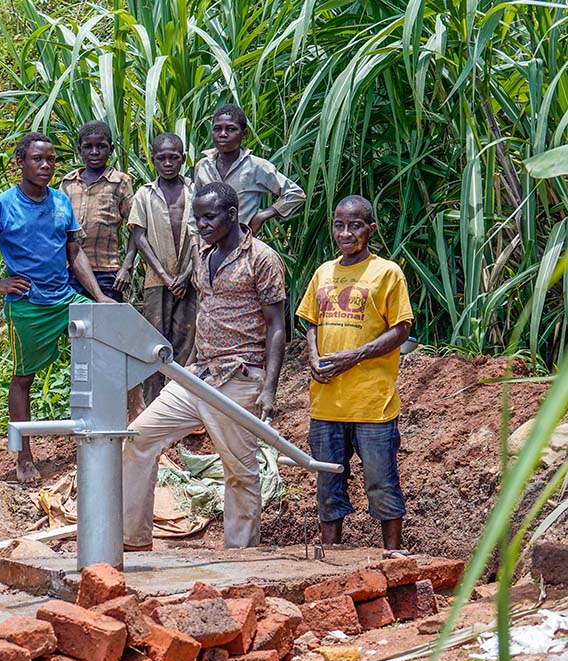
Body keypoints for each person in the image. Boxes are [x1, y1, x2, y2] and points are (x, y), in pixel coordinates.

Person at [122, 182, 286, 550]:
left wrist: (270, 388)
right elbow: (204, 313)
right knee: (138, 438)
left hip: (239, 377)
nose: (201, 224)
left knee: (239, 471)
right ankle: (133, 539)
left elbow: (277, 326)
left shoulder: (261, 258)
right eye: (197, 218)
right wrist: (191, 362)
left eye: (209, 217)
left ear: (232, 214)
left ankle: (240, 556)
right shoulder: (202, 254)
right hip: (198, 375)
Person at [0, 132, 114, 483]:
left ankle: (105, 434)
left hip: (65, 298)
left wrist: (98, 297)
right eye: (37, 159)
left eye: (51, 160)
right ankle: (23, 456)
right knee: (23, 378)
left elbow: (74, 252)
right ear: (20, 163)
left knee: (109, 344)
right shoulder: (3, 204)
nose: (45, 166)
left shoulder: (59, 202)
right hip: (28, 304)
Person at [296, 195, 412, 554]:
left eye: (355, 225)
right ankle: (330, 555)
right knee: (328, 482)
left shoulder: (386, 272)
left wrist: (356, 356)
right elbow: (310, 324)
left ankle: (392, 553)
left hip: (371, 402)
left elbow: (402, 329)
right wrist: (314, 356)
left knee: (381, 481)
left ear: (370, 229)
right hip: (327, 401)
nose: (346, 233)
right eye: (339, 225)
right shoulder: (323, 273)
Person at [129, 132, 198, 404]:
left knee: (186, 340)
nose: (168, 163)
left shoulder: (194, 190)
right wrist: (166, 276)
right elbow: (139, 237)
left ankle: (184, 405)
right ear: (153, 160)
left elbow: (202, 236)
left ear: (182, 159)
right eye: (162, 158)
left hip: (190, 279)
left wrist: (185, 275)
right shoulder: (145, 194)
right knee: (154, 342)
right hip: (157, 281)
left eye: (174, 158)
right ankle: (153, 406)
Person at [193, 104, 305, 236]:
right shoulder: (203, 166)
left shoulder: (256, 166)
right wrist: (196, 246)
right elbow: (193, 209)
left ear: (244, 134)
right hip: (208, 245)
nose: (223, 134)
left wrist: (261, 216)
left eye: (231, 129)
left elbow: (295, 193)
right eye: (217, 129)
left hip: (242, 243)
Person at [59, 121, 136, 301]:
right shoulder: (68, 183)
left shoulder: (120, 182)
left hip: (107, 272)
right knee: (76, 326)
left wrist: (126, 267)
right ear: (80, 149)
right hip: (71, 271)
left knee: (107, 324)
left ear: (111, 149)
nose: (94, 152)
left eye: (101, 146)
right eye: (88, 147)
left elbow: (137, 226)